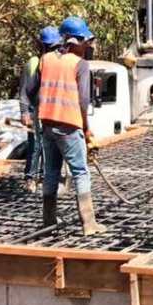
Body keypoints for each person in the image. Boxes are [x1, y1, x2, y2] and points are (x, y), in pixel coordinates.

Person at [27, 16, 105, 235]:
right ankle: (88, 223)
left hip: (48, 124)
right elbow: (83, 101)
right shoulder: (80, 64)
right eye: (86, 41)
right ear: (75, 41)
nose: (88, 46)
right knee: (80, 172)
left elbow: (31, 90)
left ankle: (48, 222)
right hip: (70, 125)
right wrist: (86, 128)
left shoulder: (46, 59)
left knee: (51, 171)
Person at [19, 26, 62, 193]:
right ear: (43, 46)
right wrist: (25, 112)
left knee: (50, 145)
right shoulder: (34, 63)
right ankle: (30, 178)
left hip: (52, 110)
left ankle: (46, 177)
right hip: (36, 110)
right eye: (52, 47)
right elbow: (25, 90)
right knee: (35, 144)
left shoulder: (55, 63)